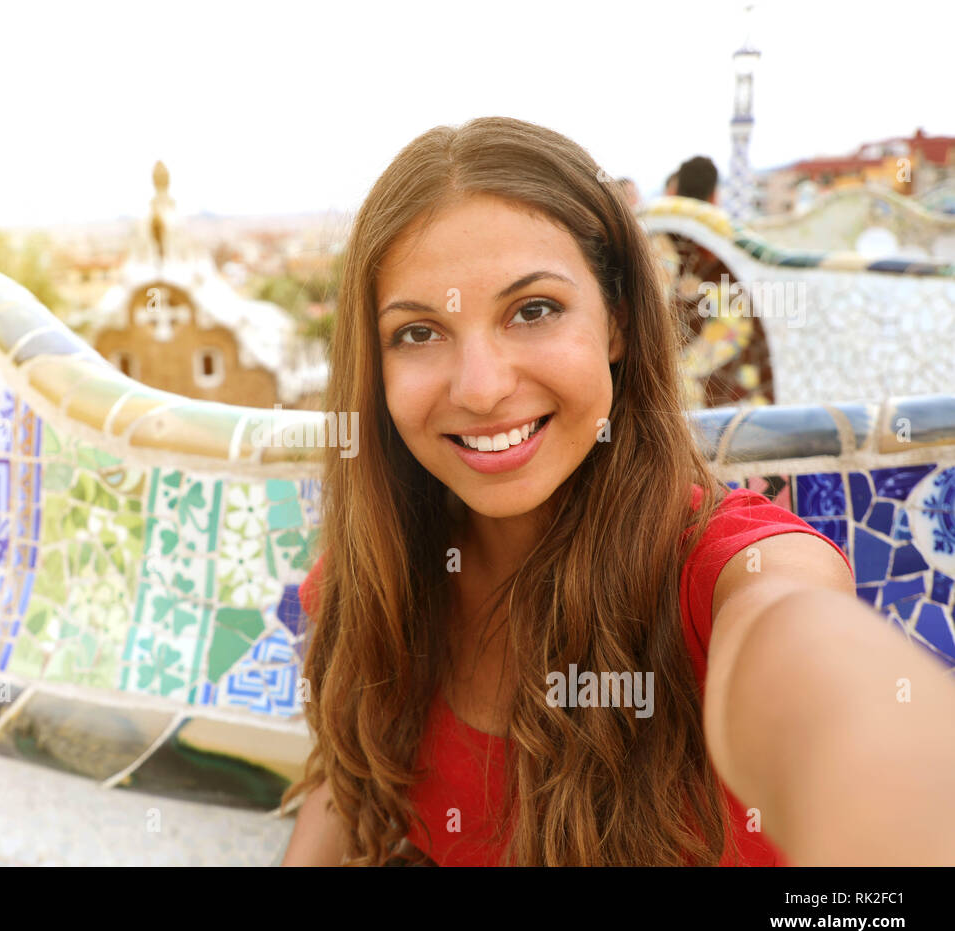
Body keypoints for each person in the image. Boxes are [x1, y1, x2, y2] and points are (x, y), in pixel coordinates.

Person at [279, 116, 955, 867]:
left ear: (618, 324)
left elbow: (825, 690)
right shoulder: (370, 579)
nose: (480, 388)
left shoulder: (730, 576)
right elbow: (343, 784)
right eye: (418, 332)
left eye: (533, 310)